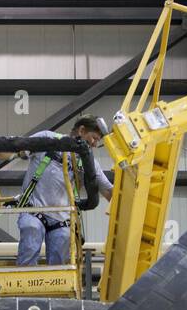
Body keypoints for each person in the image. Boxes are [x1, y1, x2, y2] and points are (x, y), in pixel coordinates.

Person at [15, 114, 113, 267]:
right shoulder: (47, 138)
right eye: (94, 138)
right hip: (33, 209)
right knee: (31, 230)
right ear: (81, 130)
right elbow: (19, 150)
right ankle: (22, 288)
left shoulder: (88, 161)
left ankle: (57, 290)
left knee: (62, 250)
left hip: (62, 218)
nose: (94, 144)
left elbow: (108, 191)